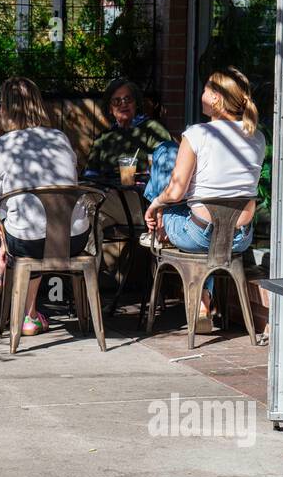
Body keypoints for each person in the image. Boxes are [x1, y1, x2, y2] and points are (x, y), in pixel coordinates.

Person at [144, 67, 266, 332]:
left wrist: (155, 205)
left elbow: (175, 192)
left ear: (216, 99)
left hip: (199, 235)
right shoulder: (257, 137)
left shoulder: (197, 134)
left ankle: (199, 297)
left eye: (206, 89)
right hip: (239, 238)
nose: (201, 94)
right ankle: (205, 298)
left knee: (168, 188)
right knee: (197, 222)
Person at [0, 78, 90, 337]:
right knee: (34, 226)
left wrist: (3, 228)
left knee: (21, 229)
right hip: (73, 238)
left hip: (28, 240)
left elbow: (1, 199)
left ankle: (9, 295)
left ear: (5, 108)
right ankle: (28, 314)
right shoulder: (60, 138)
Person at [84, 78, 173, 177]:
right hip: (108, 191)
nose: (123, 104)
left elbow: (167, 167)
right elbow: (90, 173)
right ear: (110, 109)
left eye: (128, 99)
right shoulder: (104, 137)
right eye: (116, 101)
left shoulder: (153, 129)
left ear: (136, 103)